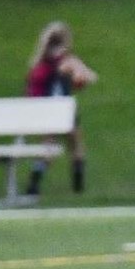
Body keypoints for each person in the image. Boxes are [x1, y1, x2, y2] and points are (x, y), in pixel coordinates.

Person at [23, 21, 98, 199]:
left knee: (47, 147)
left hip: (42, 111)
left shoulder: (38, 63)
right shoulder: (67, 61)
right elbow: (88, 77)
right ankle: (78, 186)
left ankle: (34, 183)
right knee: (76, 146)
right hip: (62, 109)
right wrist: (78, 80)